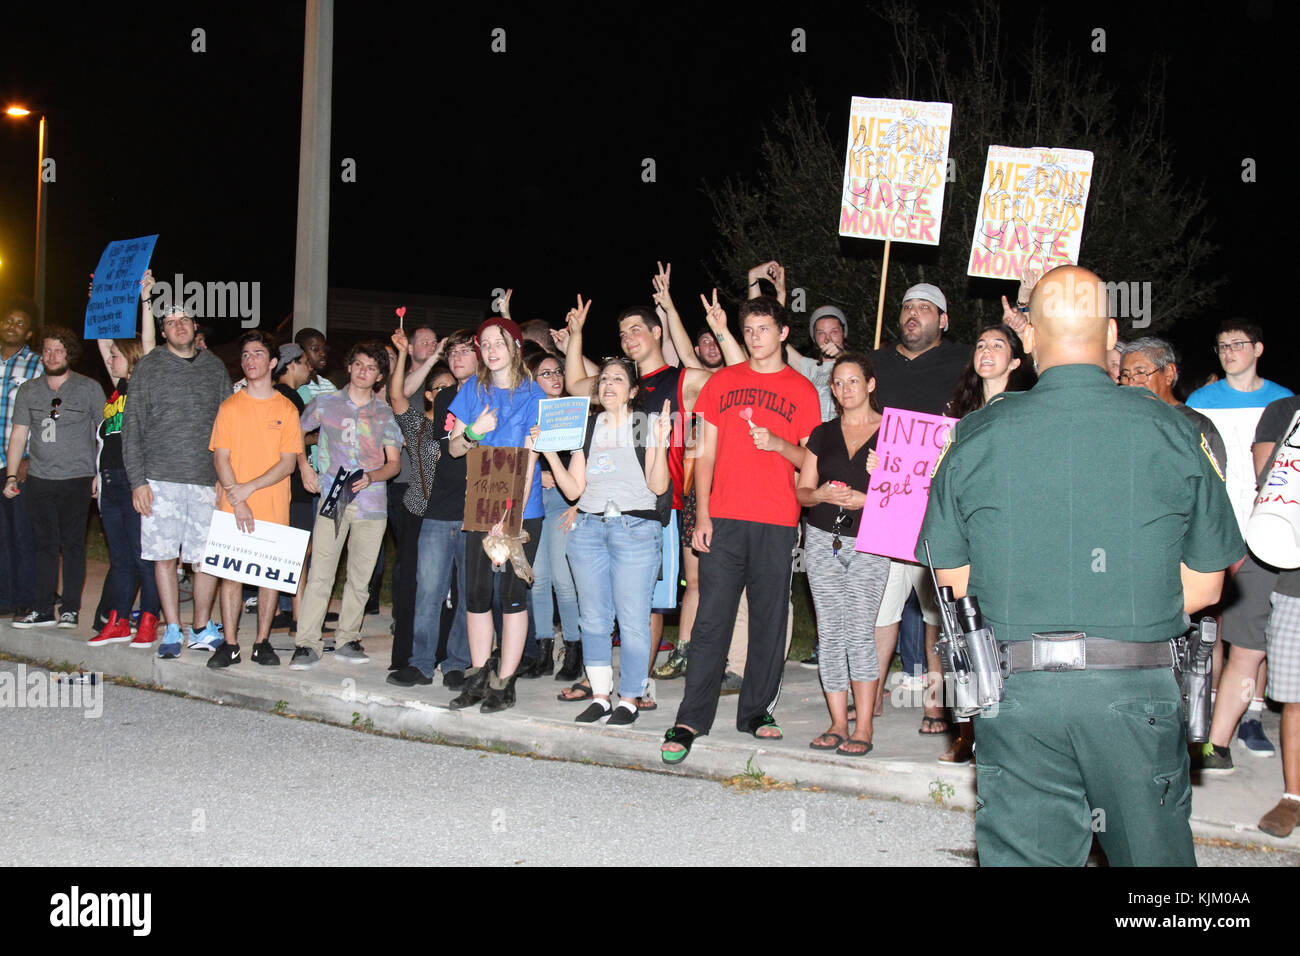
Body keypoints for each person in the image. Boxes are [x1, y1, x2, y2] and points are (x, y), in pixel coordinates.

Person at [919, 264, 1242, 866]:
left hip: (1015, 694)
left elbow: (954, 583)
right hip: (1136, 690)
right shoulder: (1177, 431)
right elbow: (1205, 585)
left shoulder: (972, 437)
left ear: (1032, 339)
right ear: (1112, 333)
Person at [661, 295, 820, 763]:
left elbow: (809, 460)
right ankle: (691, 717)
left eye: (764, 328)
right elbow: (701, 453)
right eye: (748, 329)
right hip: (724, 518)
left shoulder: (802, 391)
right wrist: (702, 514)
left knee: (770, 623)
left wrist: (777, 444)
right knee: (712, 620)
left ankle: (756, 711)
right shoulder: (721, 383)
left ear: (783, 333)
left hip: (776, 519)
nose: (755, 337)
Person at [538, 357, 671, 724]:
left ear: (632, 391)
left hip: (636, 530)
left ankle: (629, 698)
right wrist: (549, 450)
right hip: (589, 529)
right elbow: (574, 489)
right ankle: (600, 695)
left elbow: (658, 486)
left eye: (618, 379)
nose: (609, 384)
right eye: (604, 379)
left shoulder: (645, 425)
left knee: (632, 620)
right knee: (593, 619)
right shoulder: (588, 427)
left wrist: (659, 445)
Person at [1187, 320, 1293, 761]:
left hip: (1267, 527)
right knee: (1217, 621)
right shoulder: (1200, 401)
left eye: (1238, 344)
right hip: (1217, 520)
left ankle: (1250, 714)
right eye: (1222, 345)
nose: (1229, 351)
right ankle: (1207, 712)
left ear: (1259, 349)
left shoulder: (1282, 401)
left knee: (1262, 626)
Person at [935, 323, 1036, 763]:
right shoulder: (956, 414)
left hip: (1012, 536)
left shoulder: (1030, 411)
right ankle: (968, 728)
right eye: (979, 344)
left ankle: (1016, 728)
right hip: (966, 535)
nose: (986, 351)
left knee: (1008, 634)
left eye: (998, 345)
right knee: (961, 634)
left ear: (1017, 361)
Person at [870, 284, 968, 735]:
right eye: (908, 307)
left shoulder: (963, 361)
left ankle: (935, 704)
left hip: (938, 502)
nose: (913, 315)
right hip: (885, 499)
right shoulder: (877, 361)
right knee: (881, 609)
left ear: (943, 320)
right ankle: (867, 699)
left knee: (936, 613)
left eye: (925, 309)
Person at [446, 316, 545, 712]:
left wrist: (512, 514)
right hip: (480, 505)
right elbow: (455, 448)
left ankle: (505, 681)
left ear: (516, 345)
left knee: (512, 596)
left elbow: (534, 457)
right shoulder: (473, 389)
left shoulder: (536, 395)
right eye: (483, 343)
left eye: (497, 341)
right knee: (476, 594)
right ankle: (478, 674)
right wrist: (475, 430)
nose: (489, 349)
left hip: (522, 507)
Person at [122, 306, 232, 658]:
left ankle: (200, 626)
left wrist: (223, 477)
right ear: (164, 331)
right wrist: (138, 481)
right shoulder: (149, 366)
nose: (178, 326)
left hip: (205, 480)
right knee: (165, 557)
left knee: (205, 560)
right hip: (159, 480)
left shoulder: (214, 366)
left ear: (194, 327)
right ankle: (172, 627)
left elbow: (228, 425)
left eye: (183, 320)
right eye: (170, 322)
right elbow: (132, 426)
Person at [798, 354, 890, 756]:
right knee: (830, 632)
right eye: (838, 383)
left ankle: (864, 725)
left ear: (870, 384)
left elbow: (911, 497)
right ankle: (837, 722)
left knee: (859, 631)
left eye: (853, 381)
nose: (845, 389)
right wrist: (819, 495)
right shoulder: (822, 433)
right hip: (821, 538)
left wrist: (870, 494)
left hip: (870, 540)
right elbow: (802, 490)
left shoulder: (892, 432)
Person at [290, 341, 401, 669]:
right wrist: (304, 466)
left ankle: (348, 637)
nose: (364, 371)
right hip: (334, 497)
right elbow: (295, 433)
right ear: (349, 366)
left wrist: (373, 475)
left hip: (371, 503)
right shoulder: (326, 404)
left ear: (379, 376)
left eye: (372, 367)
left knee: (360, 575)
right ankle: (307, 642)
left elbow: (393, 463)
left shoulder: (384, 413)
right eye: (359, 364)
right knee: (322, 572)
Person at [208, 331, 303, 667]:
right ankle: (230, 644)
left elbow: (288, 463)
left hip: (272, 504)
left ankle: (262, 642)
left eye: (258, 354)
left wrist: (247, 489)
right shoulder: (230, 407)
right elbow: (221, 457)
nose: (250, 360)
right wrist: (238, 498)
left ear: (273, 362)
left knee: (269, 577)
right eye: (246, 354)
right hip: (233, 506)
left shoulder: (287, 409)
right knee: (230, 576)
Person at [6, 326, 105, 629]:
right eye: (47, 350)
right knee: (43, 545)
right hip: (39, 478)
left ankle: (71, 609)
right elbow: (19, 434)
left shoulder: (88, 388)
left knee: (73, 544)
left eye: (59, 350)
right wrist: (11, 475)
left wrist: (99, 474)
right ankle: (43, 608)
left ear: (69, 354)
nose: (52, 356)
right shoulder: (29, 390)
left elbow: (105, 434)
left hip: (78, 478)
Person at [385, 326, 454, 687]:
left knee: (452, 591)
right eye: (439, 389)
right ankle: (412, 659)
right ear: (428, 394)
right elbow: (396, 395)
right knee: (418, 587)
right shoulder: (418, 427)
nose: (446, 394)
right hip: (417, 509)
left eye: (452, 389)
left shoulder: (466, 428)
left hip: (453, 514)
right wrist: (399, 357)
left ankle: (451, 660)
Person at [1253, 393, 1300, 836]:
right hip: (1296, 583)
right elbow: (1269, 487)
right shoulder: (1287, 413)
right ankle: (1294, 797)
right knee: (1295, 700)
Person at [521, 349, 580, 679]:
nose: (556, 377)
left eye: (558, 371)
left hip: (563, 501)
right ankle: (543, 649)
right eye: (546, 373)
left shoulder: (575, 411)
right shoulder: (525, 411)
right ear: (532, 379)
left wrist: (577, 503)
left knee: (563, 578)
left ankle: (573, 648)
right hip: (532, 501)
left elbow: (589, 461)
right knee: (538, 578)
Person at [1120, 337, 1226, 476]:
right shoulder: (1122, 423)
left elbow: (1212, 486)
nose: (1131, 383)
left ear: (1169, 373)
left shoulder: (1196, 426)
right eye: (1125, 375)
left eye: (1141, 373)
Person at [0, 296, 42, 620]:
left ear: (28, 333)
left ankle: (26, 599)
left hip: (18, 464)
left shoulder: (37, 365)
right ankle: (4, 599)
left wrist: (32, 455)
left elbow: (52, 410)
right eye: (8, 320)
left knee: (22, 534)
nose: (12, 326)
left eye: (20, 323)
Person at [270, 343, 316, 629]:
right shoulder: (290, 399)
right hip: (294, 483)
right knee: (300, 548)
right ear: (291, 365)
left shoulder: (276, 395)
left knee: (282, 545)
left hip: (278, 480)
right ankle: (299, 617)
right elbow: (292, 442)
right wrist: (318, 437)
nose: (309, 368)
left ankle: (275, 610)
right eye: (305, 362)